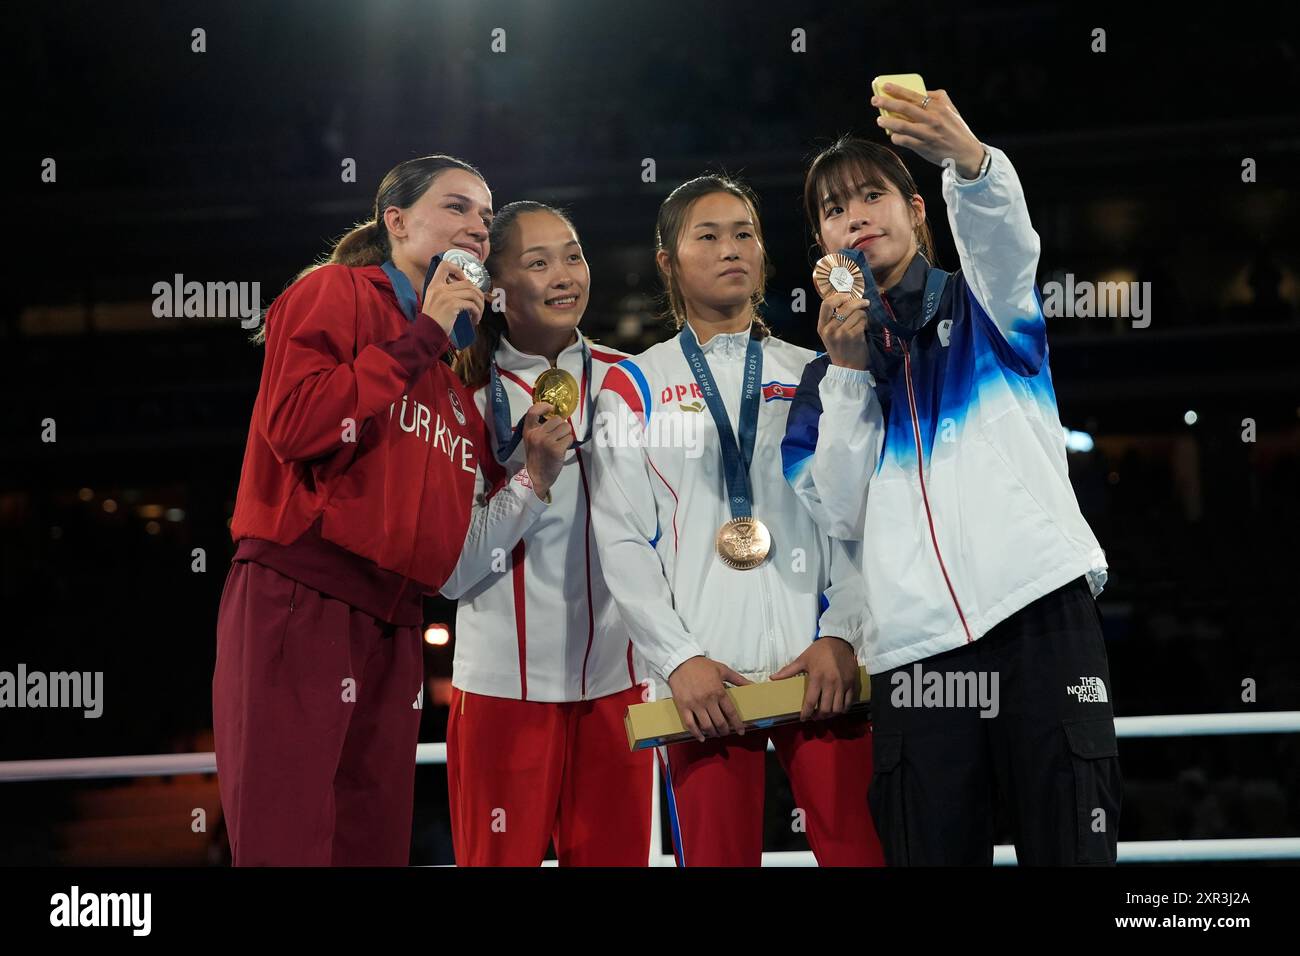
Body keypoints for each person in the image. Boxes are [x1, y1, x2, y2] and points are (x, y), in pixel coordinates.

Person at [782, 83, 1122, 865]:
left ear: (917, 210)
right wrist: (845, 372)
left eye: (873, 195)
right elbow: (840, 511)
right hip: (916, 650)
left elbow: (1006, 244)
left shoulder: (991, 312)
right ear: (823, 247)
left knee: (1072, 847)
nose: (857, 216)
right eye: (836, 210)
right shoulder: (821, 388)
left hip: (1041, 615)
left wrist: (970, 163)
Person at [590, 174, 884, 867]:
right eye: (709, 235)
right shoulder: (632, 385)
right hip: (703, 684)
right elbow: (622, 538)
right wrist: (678, 660)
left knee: (863, 855)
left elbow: (856, 516)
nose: (731, 249)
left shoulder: (819, 369)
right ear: (669, 262)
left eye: (744, 233)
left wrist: (842, 634)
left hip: (818, 668)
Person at [213, 154, 494, 866]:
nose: (479, 228)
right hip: (301, 594)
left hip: (397, 624)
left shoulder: (449, 380)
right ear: (395, 221)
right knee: (286, 841)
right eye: (457, 207)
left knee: (370, 848)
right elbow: (298, 425)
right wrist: (421, 337)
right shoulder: (334, 294)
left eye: (488, 219)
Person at [440, 201, 653, 866]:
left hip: (621, 687)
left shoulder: (636, 380)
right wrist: (532, 480)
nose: (565, 274)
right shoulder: (456, 396)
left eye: (573, 254)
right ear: (496, 292)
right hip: (503, 692)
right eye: (539, 262)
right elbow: (451, 571)